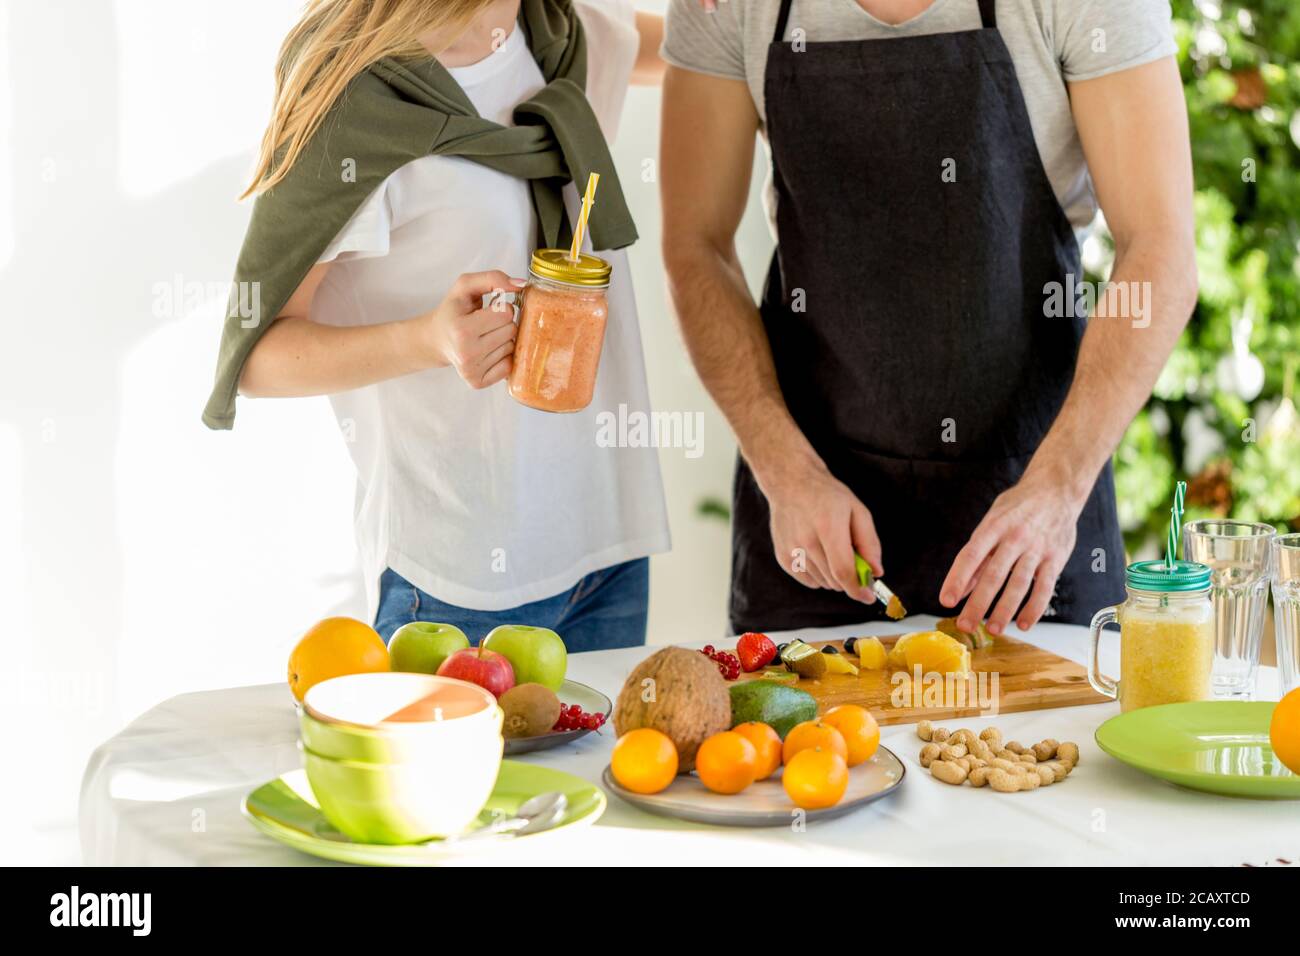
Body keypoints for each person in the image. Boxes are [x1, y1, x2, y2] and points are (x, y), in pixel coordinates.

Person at [660, 0, 1196, 636]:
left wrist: (1057, 488)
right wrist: (786, 472)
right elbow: (696, 246)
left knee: (1054, 738)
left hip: (1032, 506)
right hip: (815, 509)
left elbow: (1160, 249)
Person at [204, 0, 671, 650]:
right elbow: (257, 357)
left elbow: (694, 47)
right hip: (458, 583)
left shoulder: (558, 32)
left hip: (606, 553)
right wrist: (427, 338)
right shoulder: (358, 96)